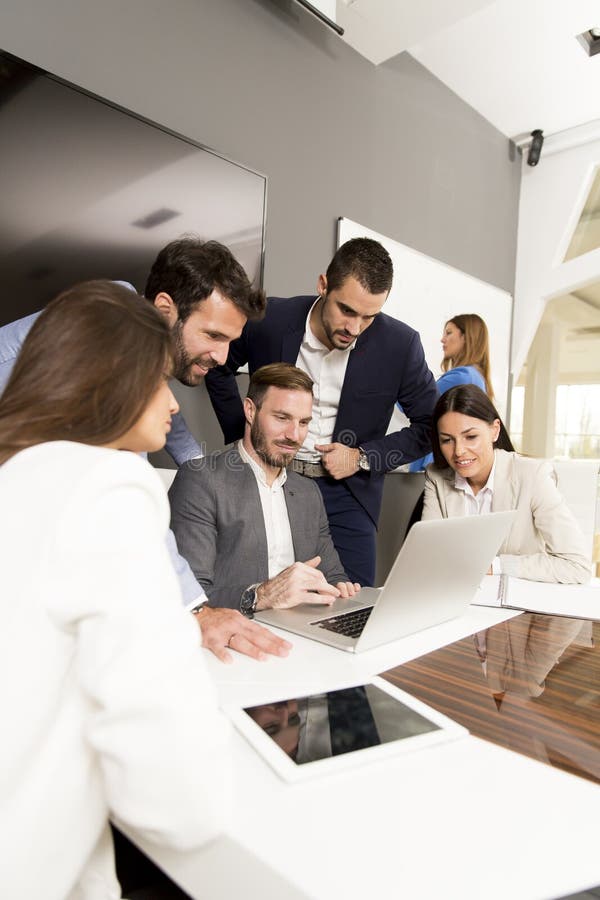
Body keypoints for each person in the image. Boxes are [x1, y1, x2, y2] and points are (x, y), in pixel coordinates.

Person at [0, 281, 231, 899]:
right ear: (110, 381)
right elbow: (174, 798)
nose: (175, 405)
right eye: (158, 381)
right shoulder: (108, 482)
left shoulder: (17, 478)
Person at [0, 238, 290, 663]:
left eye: (231, 340)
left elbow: (162, 428)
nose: (222, 356)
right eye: (212, 334)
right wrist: (194, 609)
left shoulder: (127, 324)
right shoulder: (107, 330)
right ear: (164, 307)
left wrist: (200, 467)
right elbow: (138, 518)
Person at [205, 238, 439, 586]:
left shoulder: (400, 345)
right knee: (257, 589)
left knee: (351, 603)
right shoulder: (270, 319)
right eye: (346, 310)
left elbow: (430, 425)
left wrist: (363, 457)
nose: (355, 328)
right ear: (323, 285)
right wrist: (245, 431)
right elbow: (217, 364)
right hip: (268, 478)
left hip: (348, 492)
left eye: (369, 317)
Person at [169, 363, 360, 614]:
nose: (294, 435)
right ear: (250, 410)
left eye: (304, 422)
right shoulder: (201, 480)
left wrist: (342, 589)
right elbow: (190, 594)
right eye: (282, 418)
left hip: (305, 630)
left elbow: (333, 574)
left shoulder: (308, 492)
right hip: (237, 633)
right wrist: (261, 596)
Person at [422, 384, 591, 584]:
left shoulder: (532, 475)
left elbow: (577, 565)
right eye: (447, 440)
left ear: (494, 431)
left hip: (520, 605)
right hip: (456, 600)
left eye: (471, 437)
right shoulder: (437, 477)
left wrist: (497, 567)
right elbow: (427, 557)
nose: (459, 451)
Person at [410, 313, 492, 471]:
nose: (443, 339)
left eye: (449, 333)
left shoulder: (462, 377)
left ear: (466, 337)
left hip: (436, 465)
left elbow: (418, 400)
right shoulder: (477, 377)